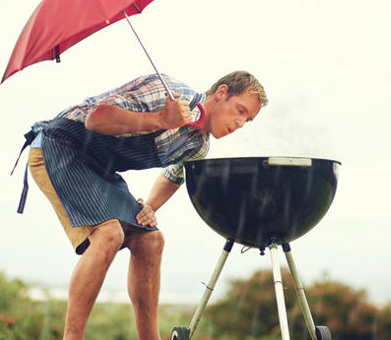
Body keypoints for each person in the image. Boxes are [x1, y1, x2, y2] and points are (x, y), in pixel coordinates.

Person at [19, 71, 267, 340]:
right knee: (109, 233)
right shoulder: (166, 92)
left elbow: (172, 178)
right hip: (60, 146)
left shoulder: (197, 147)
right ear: (221, 93)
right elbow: (96, 118)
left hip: (99, 168)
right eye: (239, 110)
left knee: (151, 240)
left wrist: (149, 208)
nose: (240, 123)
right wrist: (160, 119)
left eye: (247, 120)